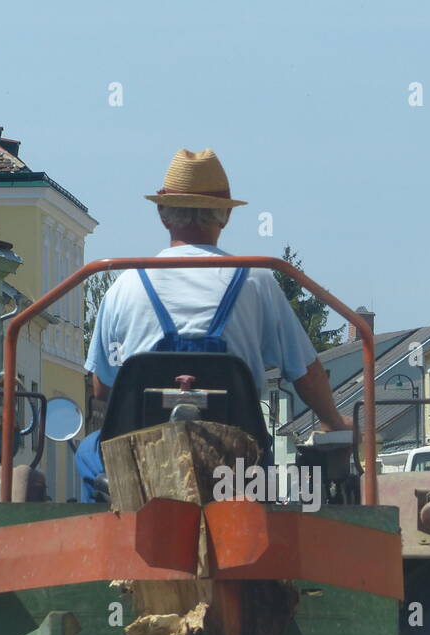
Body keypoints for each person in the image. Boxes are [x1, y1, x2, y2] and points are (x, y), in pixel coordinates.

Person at [77, 148, 350, 498]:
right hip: (238, 469)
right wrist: (332, 420)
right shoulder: (258, 280)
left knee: (89, 452)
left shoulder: (123, 284)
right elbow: (306, 372)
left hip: (140, 465)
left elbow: (103, 390)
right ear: (224, 216)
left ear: (162, 212)